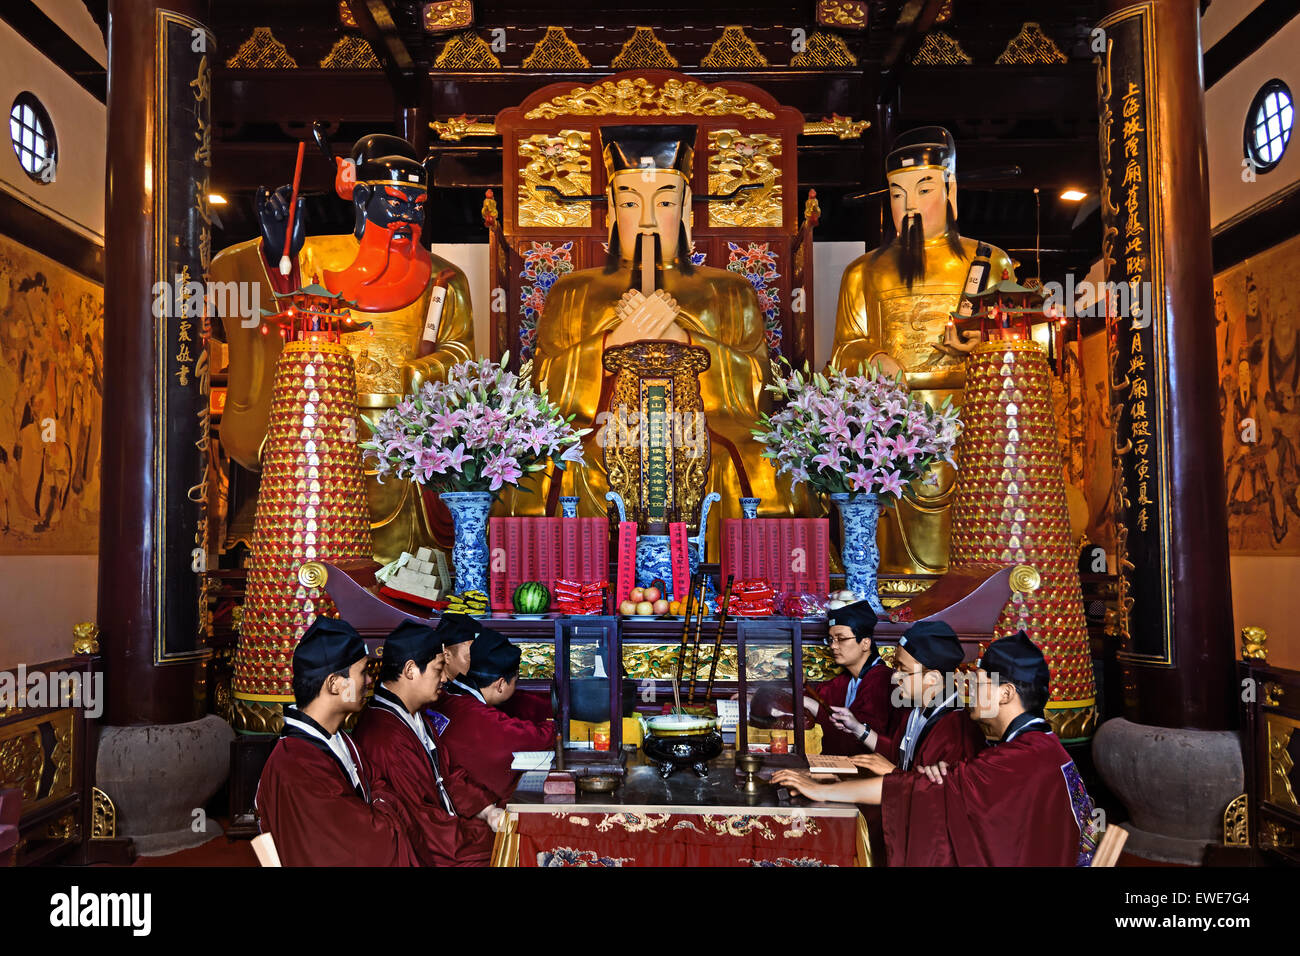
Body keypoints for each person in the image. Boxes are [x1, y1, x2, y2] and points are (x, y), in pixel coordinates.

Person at [773, 631, 1099, 867]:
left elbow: (928, 791)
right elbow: (949, 792)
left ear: (1005, 693)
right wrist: (933, 782)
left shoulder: (1020, 757)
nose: (968, 688)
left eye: (981, 681)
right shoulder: (1037, 746)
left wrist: (821, 789)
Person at [255, 617, 418, 866]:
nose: (369, 681)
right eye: (362, 672)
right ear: (333, 684)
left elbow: (380, 787)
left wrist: (378, 806)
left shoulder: (339, 739)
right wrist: (383, 807)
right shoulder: (296, 765)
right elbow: (370, 841)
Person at [351, 620, 504, 866]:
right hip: (430, 850)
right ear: (411, 670)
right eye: (438, 669)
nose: (445, 678)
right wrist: (484, 838)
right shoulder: (383, 736)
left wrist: (488, 811)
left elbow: (448, 775)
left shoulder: (415, 715)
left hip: (448, 832)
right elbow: (421, 824)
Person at [434, 628, 556, 802]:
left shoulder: (447, 696)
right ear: (500, 684)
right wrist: (559, 727)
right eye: (515, 681)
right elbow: (534, 737)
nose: (516, 687)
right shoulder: (480, 716)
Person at [853, 620, 986, 775]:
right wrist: (858, 729)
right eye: (896, 666)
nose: (896, 676)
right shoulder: (916, 710)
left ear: (933, 678)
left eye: (904, 669)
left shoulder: (954, 728)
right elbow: (900, 756)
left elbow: (934, 793)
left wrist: (892, 772)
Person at [802, 601, 895, 755]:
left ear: (865, 643)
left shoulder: (882, 679)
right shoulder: (846, 680)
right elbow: (822, 697)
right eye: (831, 640)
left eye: (841, 639)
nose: (833, 646)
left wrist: (812, 705)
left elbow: (857, 741)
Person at [437, 612, 552, 723]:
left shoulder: (482, 688)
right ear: (446, 655)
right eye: (471, 656)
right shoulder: (436, 693)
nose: (478, 662)